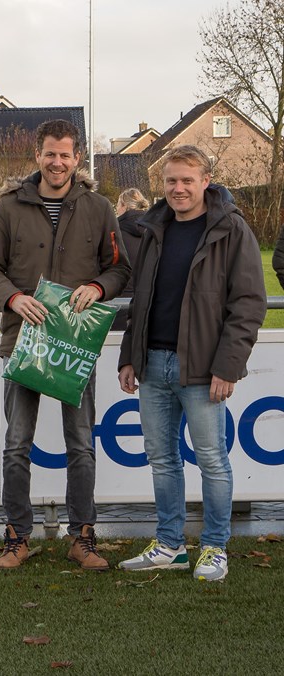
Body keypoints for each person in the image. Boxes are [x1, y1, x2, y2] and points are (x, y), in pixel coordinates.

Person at [0, 119, 131, 571]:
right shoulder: (9, 207)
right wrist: (14, 297)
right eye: (49, 153)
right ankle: (16, 536)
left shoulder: (100, 208)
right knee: (16, 443)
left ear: (77, 158)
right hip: (22, 340)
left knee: (81, 443)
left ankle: (82, 535)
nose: (57, 162)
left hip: (74, 345)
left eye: (65, 154)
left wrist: (100, 288)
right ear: (38, 156)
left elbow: (121, 269)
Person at [117, 145, 266, 582]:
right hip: (153, 366)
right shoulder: (153, 229)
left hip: (203, 368)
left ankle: (215, 548)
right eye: (171, 181)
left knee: (212, 461)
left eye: (187, 180)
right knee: (162, 460)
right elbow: (140, 300)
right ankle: (170, 545)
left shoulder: (231, 230)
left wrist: (227, 365)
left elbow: (248, 304)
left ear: (205, 181)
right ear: (161, 185)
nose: (179, 189)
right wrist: (130, 356)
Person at [111, 188, 151, 332]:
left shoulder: (114, 234)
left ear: (124, 206)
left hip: (118, 304)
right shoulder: (156, 231)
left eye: (117, 206)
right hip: (148, 305)